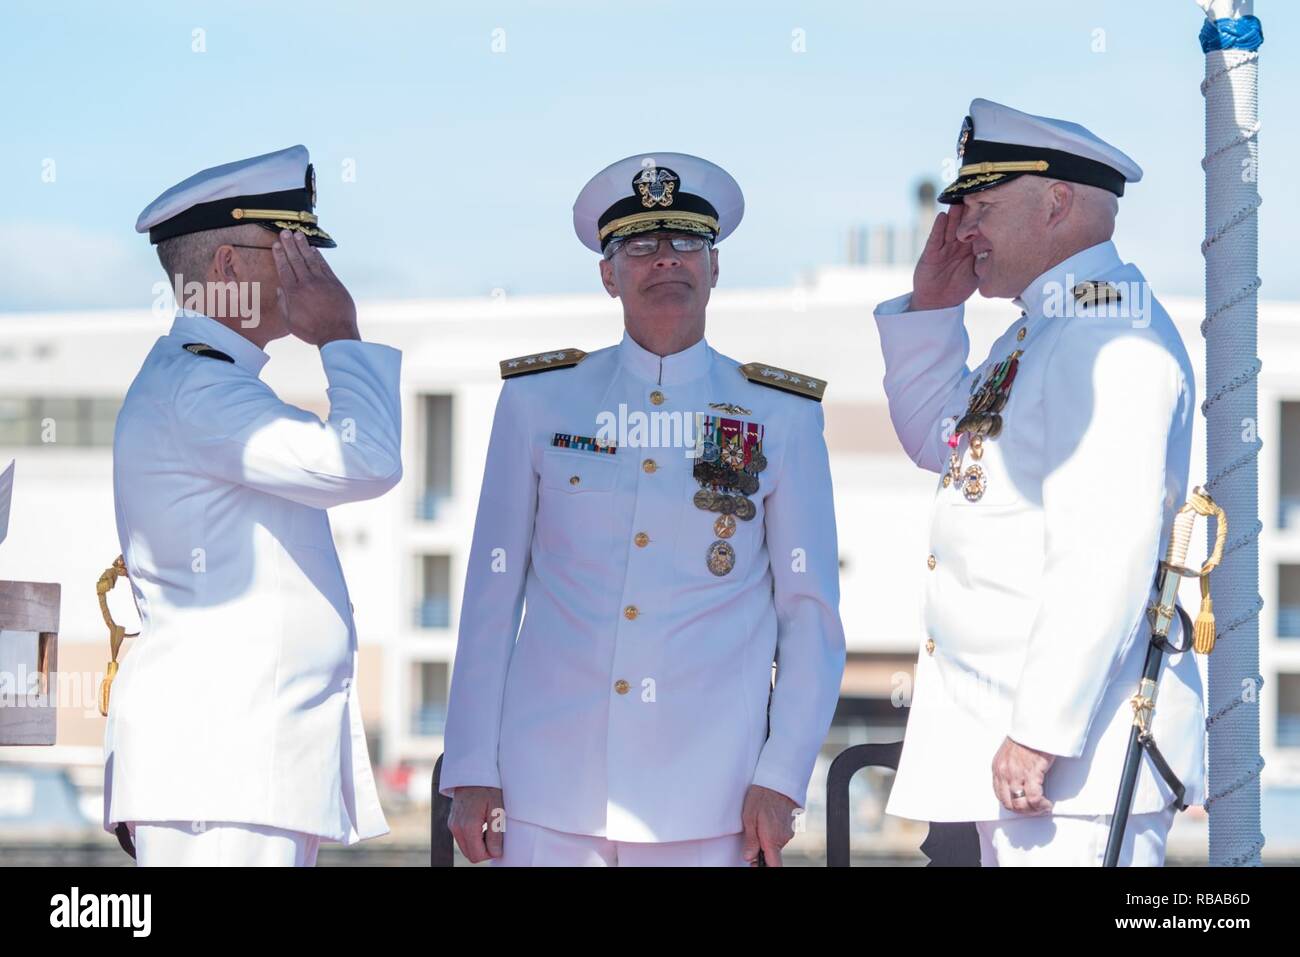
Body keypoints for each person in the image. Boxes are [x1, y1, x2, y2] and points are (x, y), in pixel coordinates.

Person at [440, 152, 846, 866]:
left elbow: (809, 615)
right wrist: (473, 766)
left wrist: (781, 776)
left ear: (714, 266)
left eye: (686, 242)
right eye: (642, 246)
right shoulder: (539, 401)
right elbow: (490, 596)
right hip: (549, 793)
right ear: (608, 273)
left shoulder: (777, 415)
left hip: (710, 799)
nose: (666, 261)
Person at [874, 99, 1206, 866]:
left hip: (1068, 772)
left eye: (983, 206)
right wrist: (931, 306)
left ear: (1056, 203)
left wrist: (1040, 731)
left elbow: (1106, 551)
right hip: (1031, 766)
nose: (964, 230)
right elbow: (941, 442)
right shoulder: (1042, 332)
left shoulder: (1109, 340)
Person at [103, 145, 403, 866]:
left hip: (234, 774)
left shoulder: (207, 383)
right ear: (229, 268)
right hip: (222, 773)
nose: (312, 269)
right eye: (290, 246)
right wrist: (340, 335)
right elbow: (367, 459)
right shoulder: (203, 391)